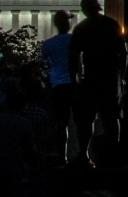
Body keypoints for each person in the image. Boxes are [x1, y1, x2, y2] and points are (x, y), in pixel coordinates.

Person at [69, 0, 128, 168]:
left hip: (92, 79)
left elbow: (73, 56)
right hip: (111, 78)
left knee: (87, 120)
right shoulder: (112, 24)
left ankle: (84, 154)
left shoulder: (81, 28)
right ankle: (114, 154)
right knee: (111, 118)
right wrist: (121, 77)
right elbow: (124, 53)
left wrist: (75, 79)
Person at [41, 10, 74, 165]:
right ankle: (78, 154)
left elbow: (44, 66)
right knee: (78, 122)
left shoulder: (48, 44)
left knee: (60, 122)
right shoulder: (74, 40)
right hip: (74, 84)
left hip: (57, 85)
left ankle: (62, 155)